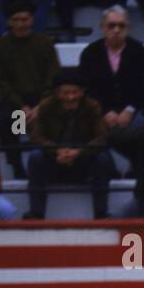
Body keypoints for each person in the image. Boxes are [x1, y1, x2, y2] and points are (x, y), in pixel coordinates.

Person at [25, 68, 115, 218]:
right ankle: (36, 213)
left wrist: (79, 152)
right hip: (54, 159)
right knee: (35, 157)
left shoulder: (92, 106)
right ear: (57, 93)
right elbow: (36, 137)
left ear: (82, 92)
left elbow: (102, 137)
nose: (71, 97)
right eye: (65, 93)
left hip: (83, 160)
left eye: (75, 92)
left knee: (103, 158)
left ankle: (101, 213)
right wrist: (57, 151)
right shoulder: (46, 106)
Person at [0, 4, 59, 179]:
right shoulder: (0, 46)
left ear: (32, 20)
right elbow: (2, 83)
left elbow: (53, 78)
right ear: (9, 22)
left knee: (54, 118)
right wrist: (22, 107)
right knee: (10, 122)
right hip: (16, 100)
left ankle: (49, 164)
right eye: (16, 20)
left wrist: (40, 106)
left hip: (42, 98)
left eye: (24, 19)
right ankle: (17, 165)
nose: (21, 24)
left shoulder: (44, 44)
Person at [77, 6, 144, 129]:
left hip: (135, 110)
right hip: (99, 109)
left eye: (121, 26)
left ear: (128, 27)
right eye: (111, 26)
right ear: (102, 27)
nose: (116, 30)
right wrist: (105, 111)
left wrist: (130, 110)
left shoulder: (140, 51)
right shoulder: (90, 53)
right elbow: (86, 87)